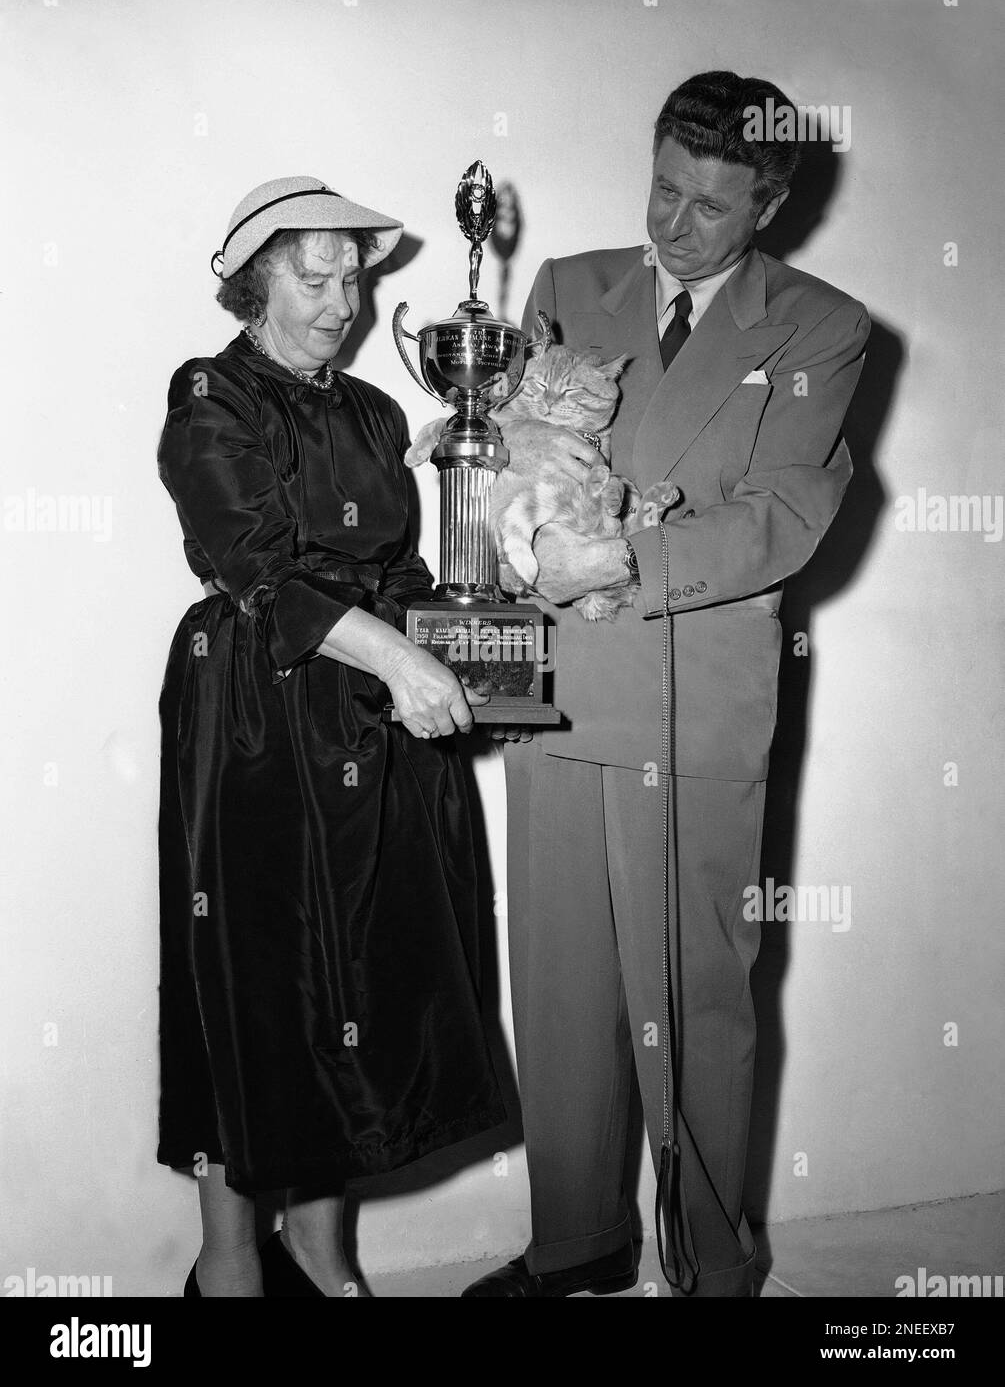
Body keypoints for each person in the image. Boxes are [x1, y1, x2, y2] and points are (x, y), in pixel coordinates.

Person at [463, 72, 870, 1298]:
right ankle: (577, 1239)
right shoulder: (562, 288)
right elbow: (508, 459)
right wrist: (515, 539)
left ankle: (711, 1264)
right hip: (558, 683)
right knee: (561, 980)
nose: (674, 224)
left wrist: (621, 553)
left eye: (708, 203)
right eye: (662, 188)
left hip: (696, 697)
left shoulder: (821, 323)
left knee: (696, 1000)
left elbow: (785, 513)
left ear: (771, 205)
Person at [157, 176, 505, 1297]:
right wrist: (401, 658)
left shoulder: (374, 412)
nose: (343, 299)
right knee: (254, 984)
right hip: (256, 713)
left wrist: (479, 641)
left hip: (371, 720)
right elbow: (256, 566)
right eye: (316, 276)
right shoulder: (210, 393)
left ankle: (320, 1250)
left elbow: (401, 573)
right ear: (255, 281)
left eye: (353, 275)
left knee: (351, 976)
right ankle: (227, 1268)